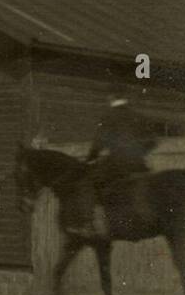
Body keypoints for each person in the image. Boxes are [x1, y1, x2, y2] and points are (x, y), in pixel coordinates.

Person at [62, 97, 164, 238]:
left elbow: (98, 143)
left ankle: (88, 224)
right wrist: (139, 151)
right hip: (139, 164)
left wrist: (90, 159)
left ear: (111, 99)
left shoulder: (109, 116)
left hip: (117, 164)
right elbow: (153, 141)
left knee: (88, 182)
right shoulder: (138, 116)